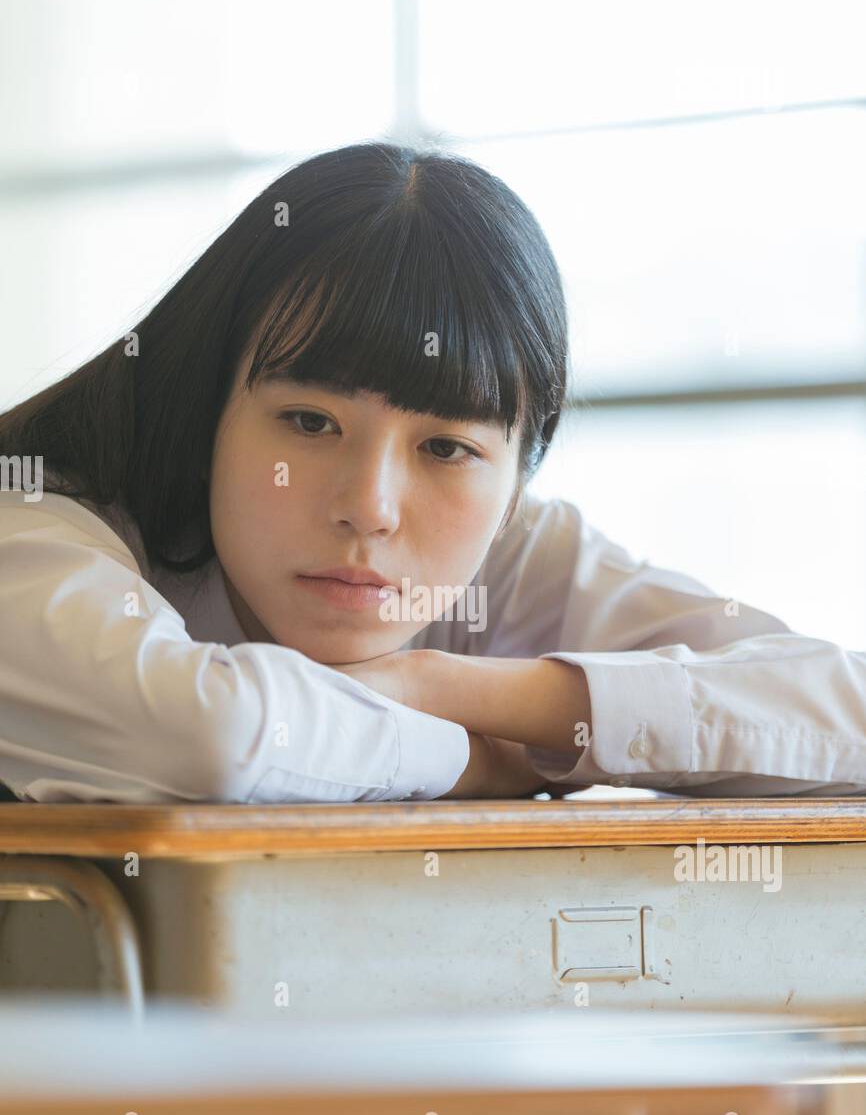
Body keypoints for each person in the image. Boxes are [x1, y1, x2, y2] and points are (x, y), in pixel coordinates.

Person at [1, 141, 864, 804]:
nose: (369, 508)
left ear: (518, 477)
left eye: (446, 448)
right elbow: (208, 741)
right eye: (309, 422)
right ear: (209, 406)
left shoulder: (516, 553)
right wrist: (474, 761)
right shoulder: (33, 520)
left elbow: (841, 714)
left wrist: (442, 685)